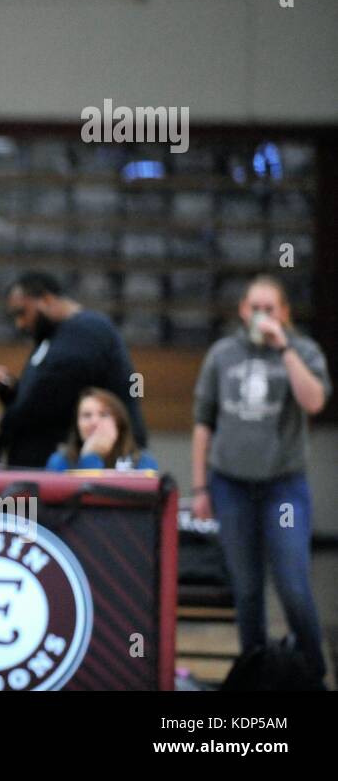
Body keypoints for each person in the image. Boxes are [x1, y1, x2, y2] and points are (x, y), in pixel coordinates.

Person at [191, 275, 331, 682]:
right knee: (246, 587)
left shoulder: (302, 350)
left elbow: (315, 401)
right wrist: (200, 488)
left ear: (285, 313)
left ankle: (313, 674)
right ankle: (254, 672)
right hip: (230, 486)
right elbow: (203, 423)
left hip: (282, 488)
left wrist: (283, 347)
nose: (262, 315)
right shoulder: (222, 353)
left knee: (292, 581)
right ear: (242, 311)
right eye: (255, 307)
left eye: (271, 308)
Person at [0, 272, 148, 468]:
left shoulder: (87, 331)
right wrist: (10, 389)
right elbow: (38, 395)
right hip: (50, 465)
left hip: (101, 463)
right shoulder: (51, 337)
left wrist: (3, 423)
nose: (20, 323)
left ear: (46, 299)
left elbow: (50, 396)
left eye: (22, 312)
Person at [45, 388, 157, 472]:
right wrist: (90, 457)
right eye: (86, 415)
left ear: (119, 423)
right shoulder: (60, 461)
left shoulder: (142, 462)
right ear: (77, 425)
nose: (94, 422)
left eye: (104, 414)